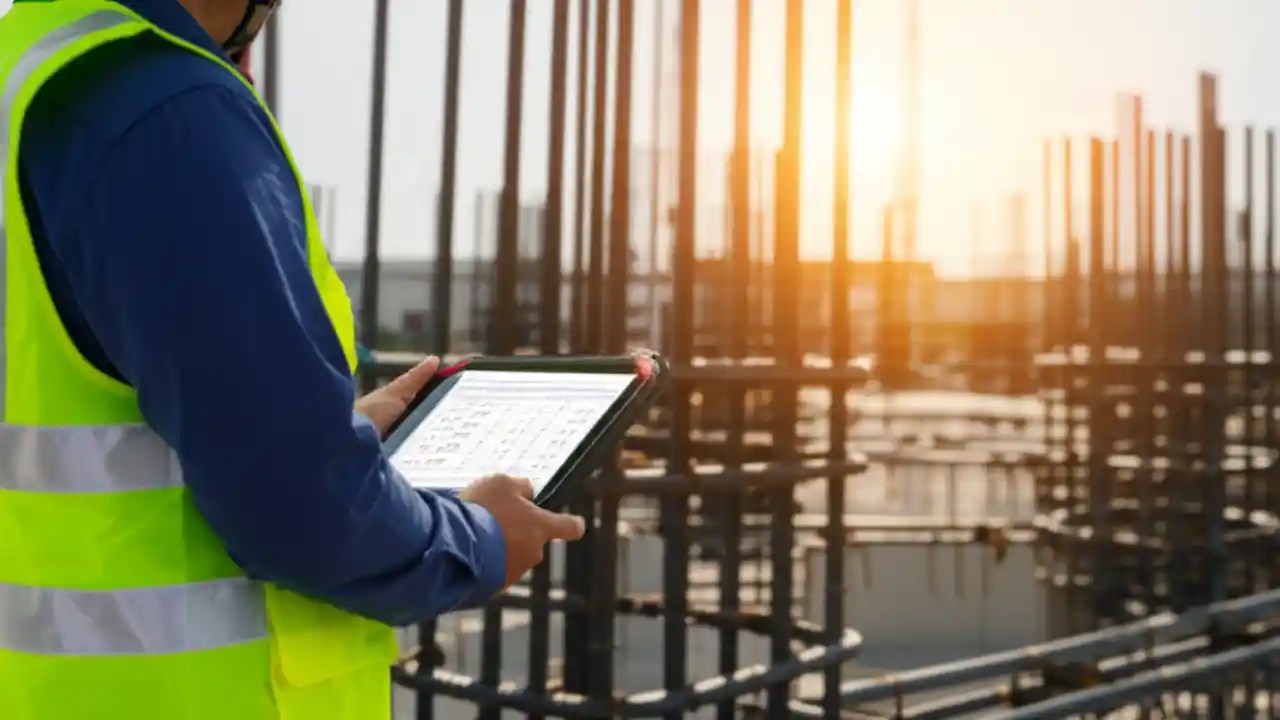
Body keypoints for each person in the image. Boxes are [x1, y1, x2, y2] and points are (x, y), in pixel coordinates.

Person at [0, 1, 585, 718]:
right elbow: (301, 510)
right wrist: (480, 539)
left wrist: (325, 427)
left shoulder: (24, 72)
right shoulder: (167, 112)